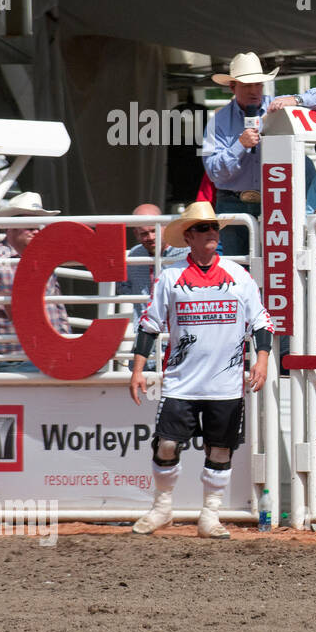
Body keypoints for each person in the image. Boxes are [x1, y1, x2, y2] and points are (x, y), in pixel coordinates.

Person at [129, 203, 273, 540]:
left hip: (225, 384)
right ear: (189, 236)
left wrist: (262, 359)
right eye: (203, 228)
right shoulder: (171, 276)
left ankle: (210, 515)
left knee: (220, 451)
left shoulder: (239, 275)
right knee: (165, 445)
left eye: (214, 227)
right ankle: (162, 508)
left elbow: (262, 321)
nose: (211, 233)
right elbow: (149, 324)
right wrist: (137, 369)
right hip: (182, 382)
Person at [202, 52, 316, 257]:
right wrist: (239, 145)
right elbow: (214, 173)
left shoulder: (280, 106)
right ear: (232, 87)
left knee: (278, 262)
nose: (254, 90)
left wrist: (297, 99)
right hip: (233, 202)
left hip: (277, 200)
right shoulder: (218, 121)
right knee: (237, 265)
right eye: (247, 85)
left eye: (258, 84)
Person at [0, 193, 71, 373]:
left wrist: (66, 341)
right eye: (29, 226)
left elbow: (57, 306)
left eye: (38, 226)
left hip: (47, 353)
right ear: (11, 227)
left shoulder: (41, 257)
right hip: (15, 357)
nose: (35, 231)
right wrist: (8, 299)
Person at [117, 204, 189, 338]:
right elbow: (124, 289)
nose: (150, 237)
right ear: (136, 233)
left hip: (178, 338)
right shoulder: (135, 255)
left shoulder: (187, 253)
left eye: (153, 230)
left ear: (165, 226)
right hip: (144, 339)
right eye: (144, 233)